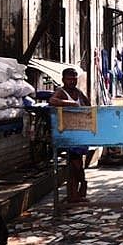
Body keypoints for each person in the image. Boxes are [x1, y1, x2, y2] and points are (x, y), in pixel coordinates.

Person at [49, 68, 91, 203]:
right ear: (63, 80)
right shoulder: (61, 92)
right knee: (74, 165)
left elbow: (88, 105)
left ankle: (77, 192)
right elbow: (52, 101)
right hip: (68, 135)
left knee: (78, 164)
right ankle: (75, 193)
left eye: (74, 79)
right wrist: (71, 104)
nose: (72, 81)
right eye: (69, 79)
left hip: (80, 133)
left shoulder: (78, 92)